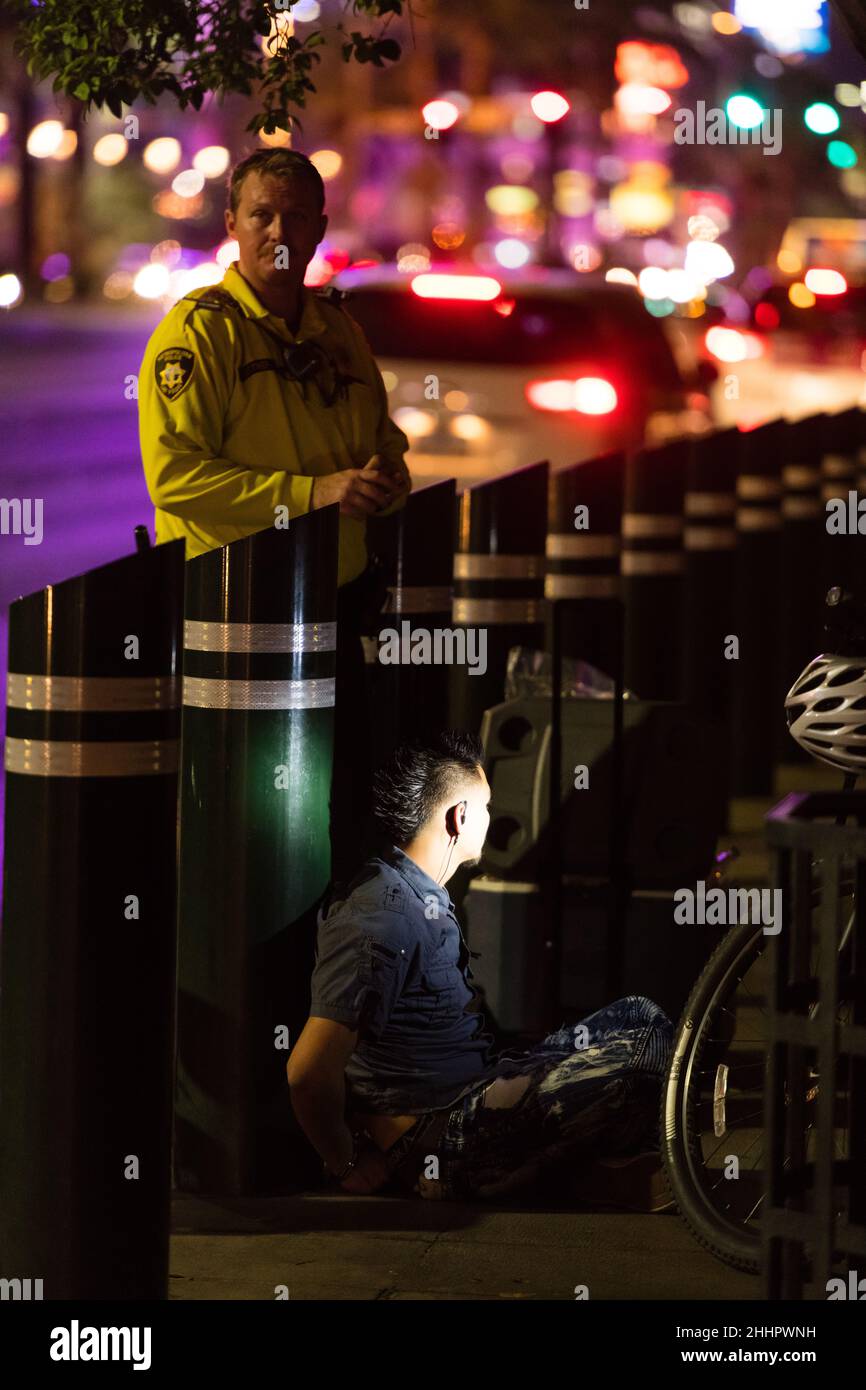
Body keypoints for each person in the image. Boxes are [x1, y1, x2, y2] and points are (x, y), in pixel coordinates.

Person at [138, 147, 412, 883]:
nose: (277, 230)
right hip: (238, 629)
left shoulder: (338, 331)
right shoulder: (198, 333)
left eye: (294, 216)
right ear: (232, 224)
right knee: (249, 851)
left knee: (339, 829)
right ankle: (246, 997)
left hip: (334, 616)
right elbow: (176, 479)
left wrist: (387, 474)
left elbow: (382, 436)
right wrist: (315, 494)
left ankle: (329, 991)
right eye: (261, 214)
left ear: (320, 228)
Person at [287, 731, 676, 1212]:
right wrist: (346, 1162)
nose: (491, 819)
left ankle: (583, 1169)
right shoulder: (382, 918)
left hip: (476, 1087)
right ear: (461, 816)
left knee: (642, 1016)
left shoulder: (409, 886)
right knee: (643, 1055)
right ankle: (580, 1173)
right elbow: (306, 1071)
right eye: (486, 806)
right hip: (441, 1134)